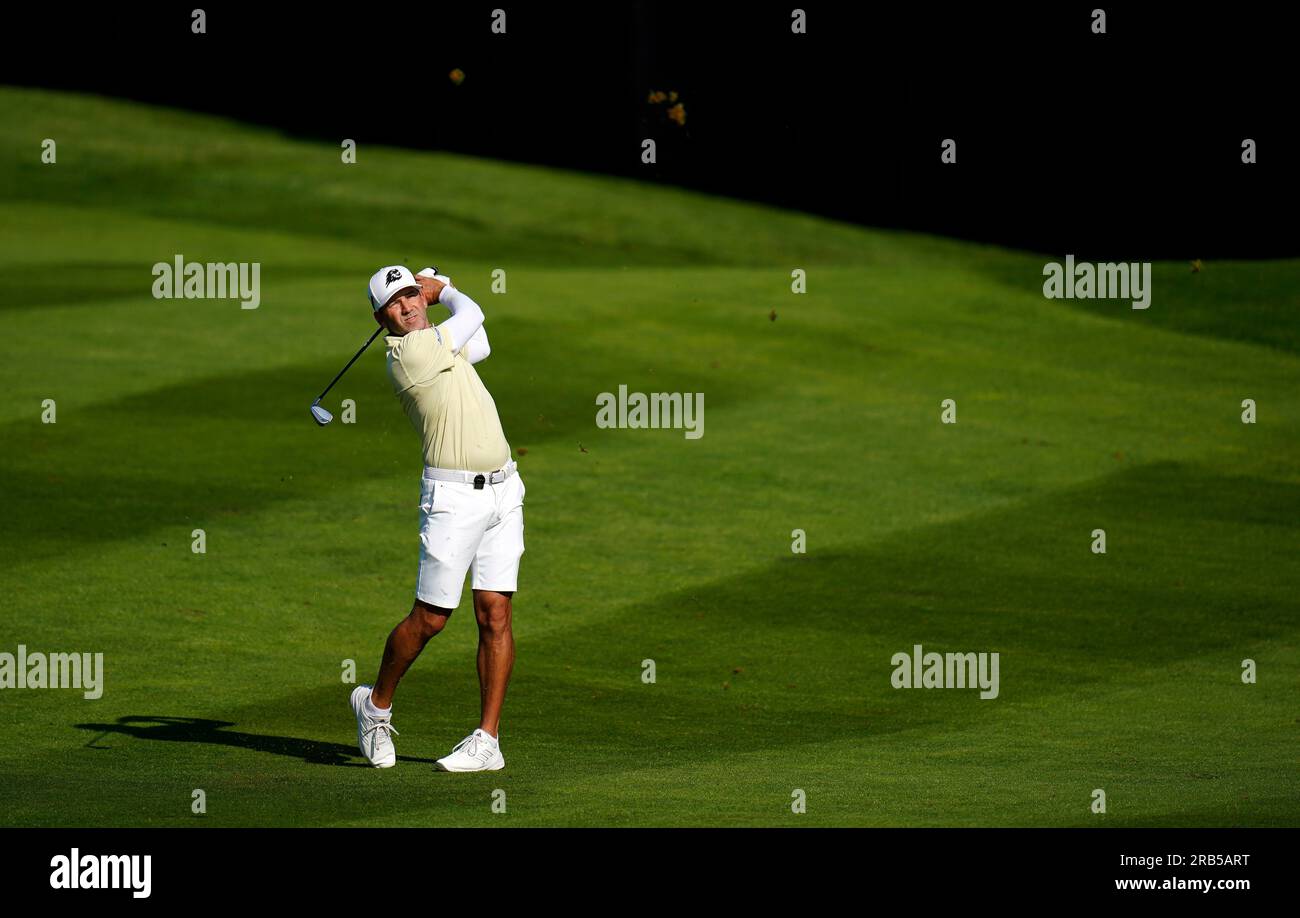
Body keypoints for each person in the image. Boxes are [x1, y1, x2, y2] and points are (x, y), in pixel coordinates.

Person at [349, 265, 525, 772]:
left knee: (495, 614)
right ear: (382, 319)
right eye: (395, 303)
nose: (407, 306)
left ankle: (487, 741)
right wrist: (442, 289)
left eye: (411, 295)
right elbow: (475, 312)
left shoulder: (437, 340)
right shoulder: (410, 355)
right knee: (431, 619)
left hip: (503, 490)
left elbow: (482, 342)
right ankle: (375, 705)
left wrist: (438, 297)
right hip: (453, 499)